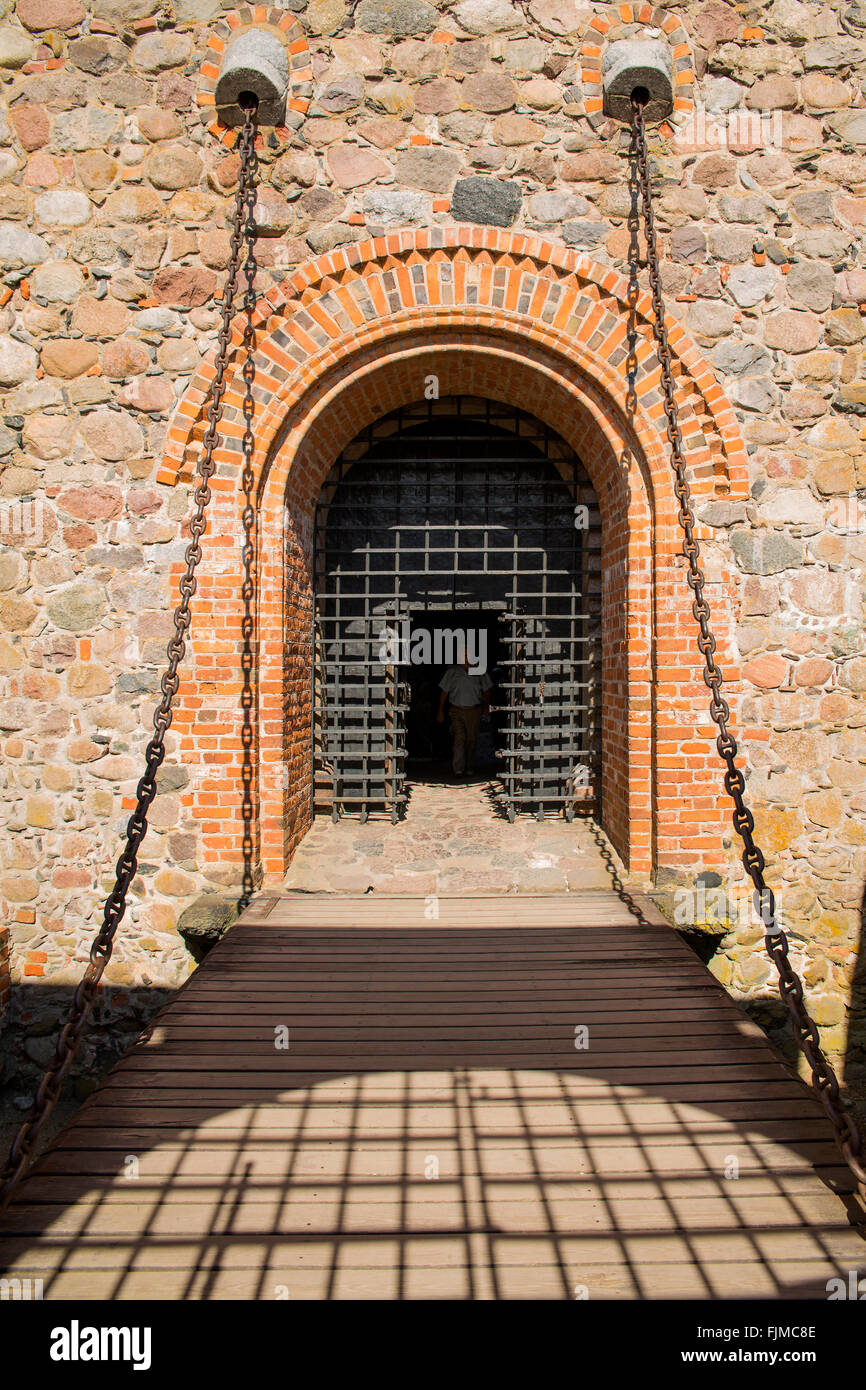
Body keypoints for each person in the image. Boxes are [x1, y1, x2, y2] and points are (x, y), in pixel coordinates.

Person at [436, 659, 493, 778]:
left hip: (474, 710)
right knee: (459, 738)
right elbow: (444, 692)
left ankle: (469, 766)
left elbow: (487, 690)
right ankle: (458, 769)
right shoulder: (452, 671)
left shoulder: (479, 670)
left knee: (471, 739)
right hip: (456, 710)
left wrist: (486, 707)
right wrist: (440, 711)